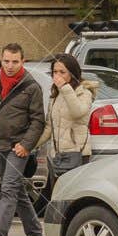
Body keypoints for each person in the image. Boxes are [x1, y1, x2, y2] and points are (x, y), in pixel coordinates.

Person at [0, 43, 46, 236]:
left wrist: (26, 145)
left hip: (17, 148)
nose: (10, 66)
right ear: (1, 60)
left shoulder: (32, 87)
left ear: (22, 61)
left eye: (15, 62)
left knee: (8, 188)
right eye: (6, 61)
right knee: (17, 190)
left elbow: (38, 121)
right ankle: (35, 234)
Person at [41, 53, 97, 198]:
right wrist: (29, 145)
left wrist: (65, 88)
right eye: (55, 72)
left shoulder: (83, 92)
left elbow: (78, 112)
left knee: (74, 195)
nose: (57, 75)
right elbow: (49, 127)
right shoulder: (56, 95)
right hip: (58, 156)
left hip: (77, 154)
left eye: (62, 72)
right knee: (59, 196)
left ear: (72, 73)